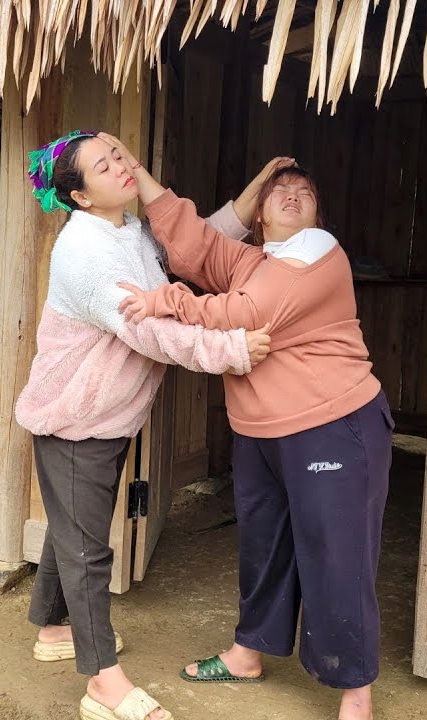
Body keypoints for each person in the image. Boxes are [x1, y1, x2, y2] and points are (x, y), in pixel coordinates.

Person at [100, 133, 394, 720]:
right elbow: (192, 242)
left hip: (334, 422)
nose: (292, 195)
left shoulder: (317, 252)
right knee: (264, 544)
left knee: (338, 555)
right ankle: (248, 653)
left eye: (304, 193)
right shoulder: (253, 259)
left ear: (317, 215)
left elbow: (249, 312)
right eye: (280, 190)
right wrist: (136, 170)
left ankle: (354, 690)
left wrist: (168, 301)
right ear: (257, 214)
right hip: (260, 431)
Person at [14, 130, 277, 720]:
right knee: (87, 548)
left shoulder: (128, 230)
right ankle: (103, 682)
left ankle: (53, 630)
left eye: (116, 155)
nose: (119, 167)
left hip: (104, 414)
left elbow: (192, 245)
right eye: (102, 167)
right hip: (73, 418)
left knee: (71, 526)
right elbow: (152, 330)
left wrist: (250, 196)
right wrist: (232, 348)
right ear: (80, 197)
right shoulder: (83, 253)